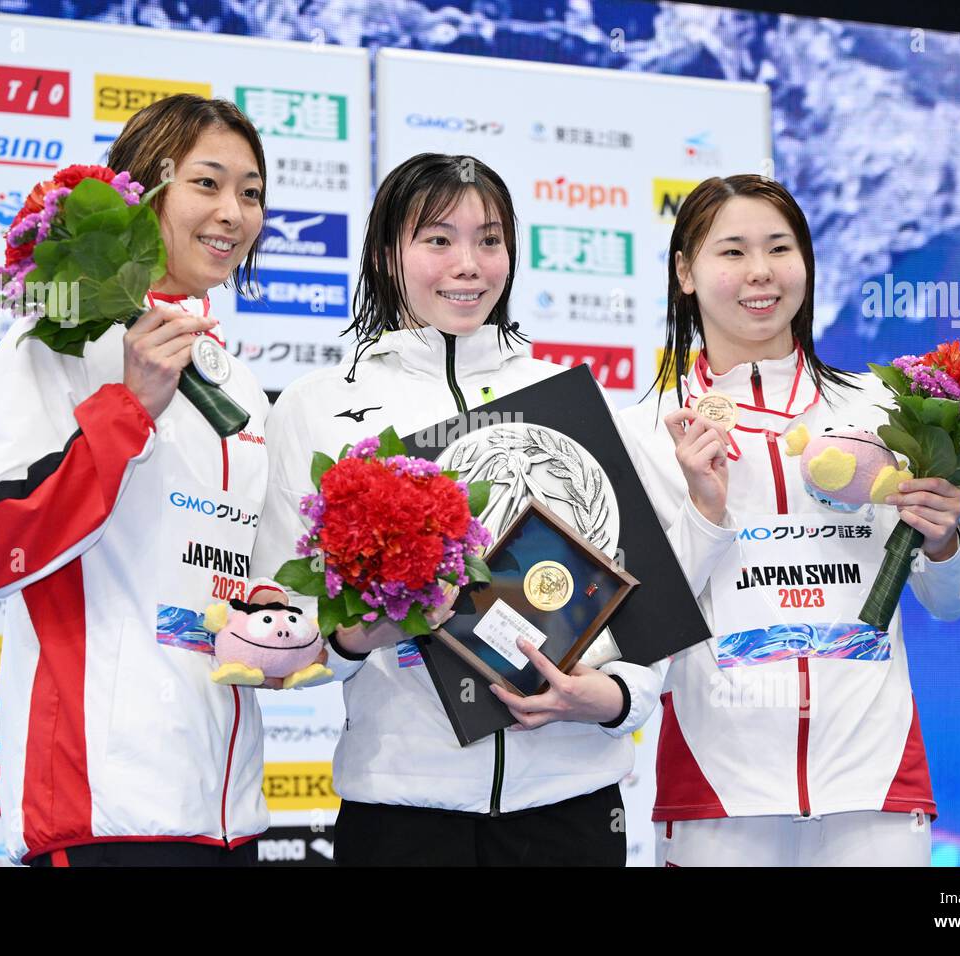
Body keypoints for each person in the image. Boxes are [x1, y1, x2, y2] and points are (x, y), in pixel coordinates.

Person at [251, 152, 660, 866]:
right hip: (402, 807)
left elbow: (640, 612)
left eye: (490, 239)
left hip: (572, 804)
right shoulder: (315, 406)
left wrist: (612, 698)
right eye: (438, 239)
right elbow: (285, 633)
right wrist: (355, 638)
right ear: (386, 254)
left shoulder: (565, 398)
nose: (468, 264)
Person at [619, 174, 960, 866]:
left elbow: (953, 598)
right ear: (684, 272)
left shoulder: (883, 408)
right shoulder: (645, 431)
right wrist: (705, 510)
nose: (761, 272)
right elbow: (639, 619)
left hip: (874, 787)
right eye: (731, 252)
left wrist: (944, 540)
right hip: (719, 791)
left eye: (779, 248)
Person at [0, 94, 279, 866]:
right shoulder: (52, 343)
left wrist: (275, 618)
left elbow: (226, 569)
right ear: (141, 191)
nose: (232, 211)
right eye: (206, 182)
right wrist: (127, 407)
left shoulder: (237, 382)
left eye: (252, 191)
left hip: (227, 811)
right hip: (103, 807)